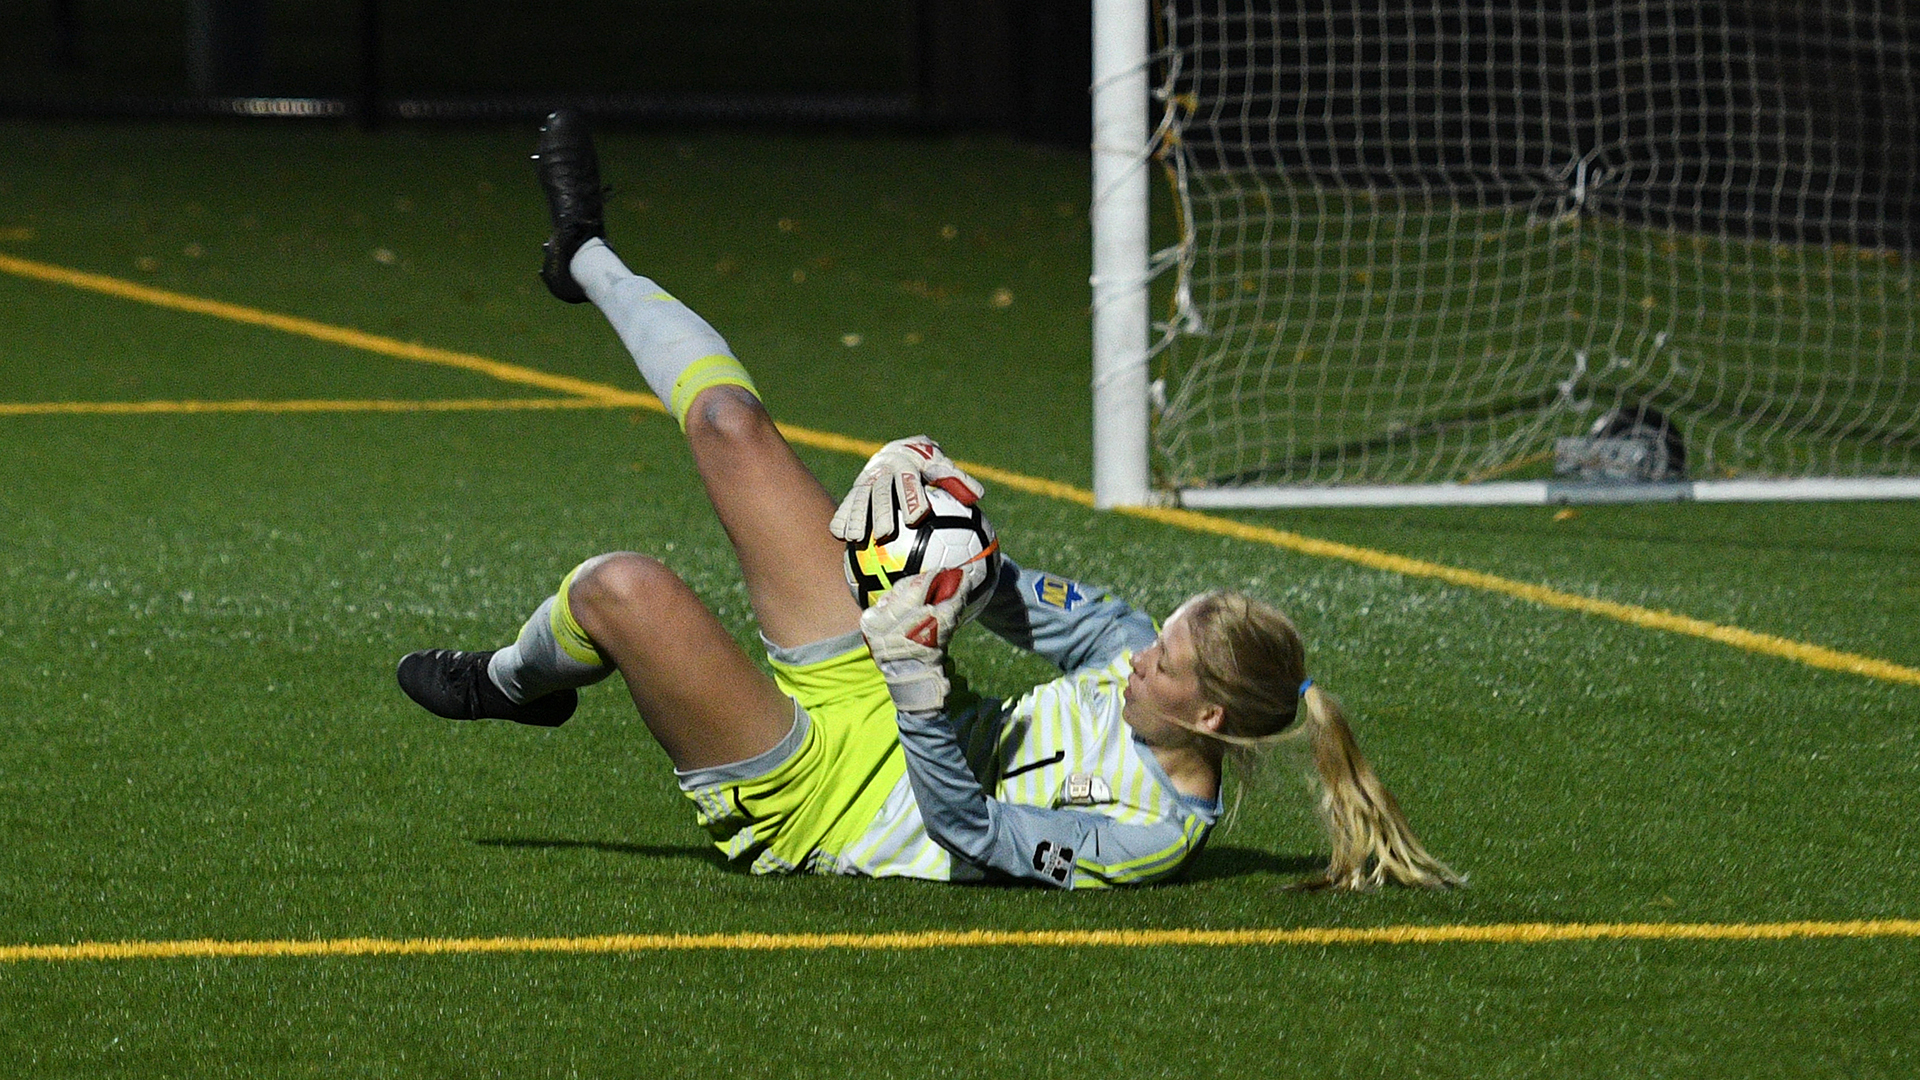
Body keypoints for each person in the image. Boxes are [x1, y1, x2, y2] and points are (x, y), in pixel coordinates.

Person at [396, 111, 1460, 891]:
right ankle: (583, 252)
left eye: (1165, 664)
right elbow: (996, 592)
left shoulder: (1152, 836)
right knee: (733, 429)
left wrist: (916, 690)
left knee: (621, 589)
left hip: (829, 804)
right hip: (880, 687)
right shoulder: (1127, 647)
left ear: (1209, 717)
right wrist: (935, 516)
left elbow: (971, 836)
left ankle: (509, 681)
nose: (1140, 655)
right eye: (1162, 637)